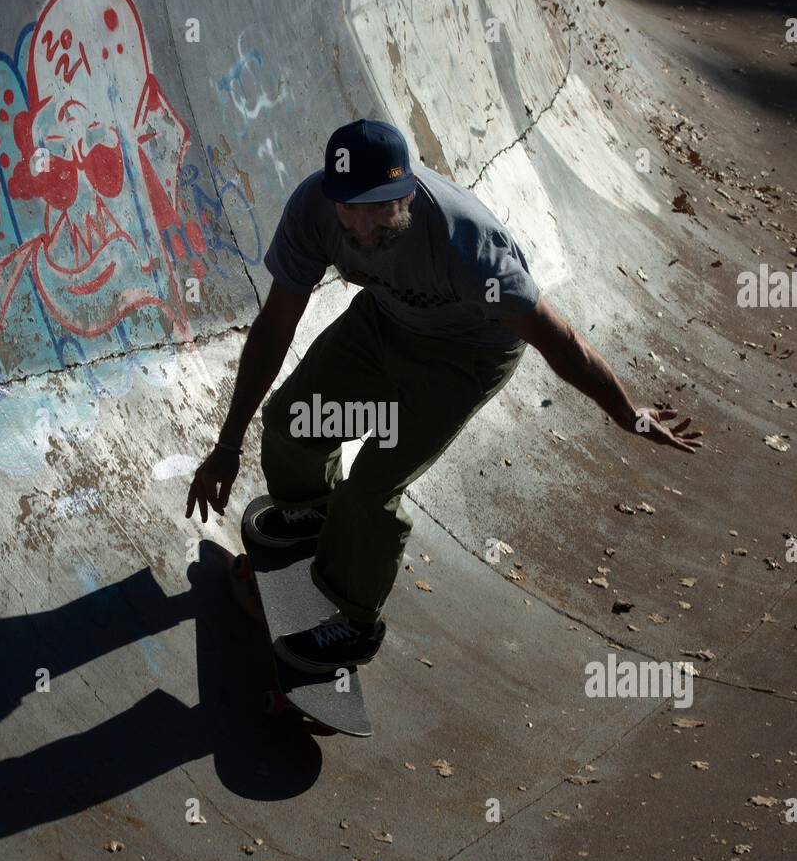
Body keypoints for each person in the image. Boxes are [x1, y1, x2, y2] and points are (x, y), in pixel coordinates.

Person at [187, 119, 702, 673]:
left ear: (407, 191)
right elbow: (273, 327)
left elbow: (561, 342)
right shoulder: (314, 211)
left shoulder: (465, 245)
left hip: (466, 358)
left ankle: (355, 622)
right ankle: (314, 515)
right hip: (384, 324)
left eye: (379, 210)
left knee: (370, 491)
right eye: (350, 209)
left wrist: (628, 414)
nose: (361, 228)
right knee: (295, 421)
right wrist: (227, 445)